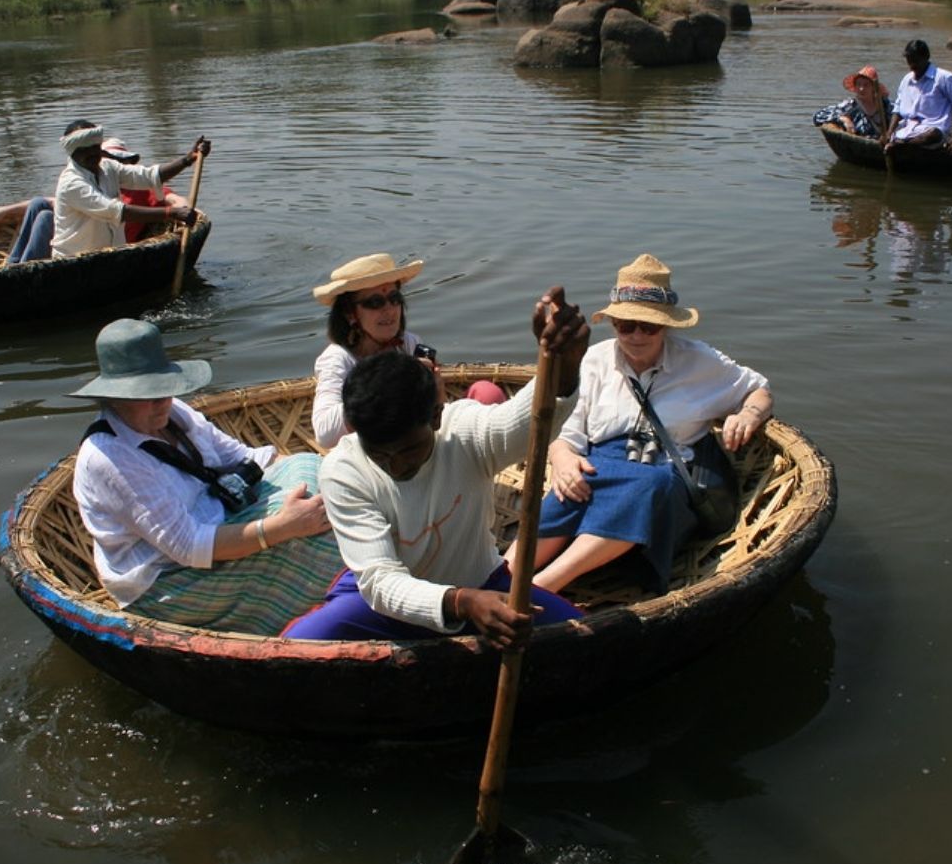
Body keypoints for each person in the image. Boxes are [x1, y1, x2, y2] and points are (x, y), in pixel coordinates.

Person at [284, 288, 590, 648]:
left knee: (586, 639)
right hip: (385, 605)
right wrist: (460, 602)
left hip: (483, 585)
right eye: (381, 456)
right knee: (299, 646)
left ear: (436, 416)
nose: (397, 467)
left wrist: (562, 366)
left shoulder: (462, 432)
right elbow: (380, 581)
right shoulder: (342, 470)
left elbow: (525, 423)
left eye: (409, 450)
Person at [71, 318, 339, 635]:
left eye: (165, 390)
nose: (163, 403)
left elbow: (248, 457)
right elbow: (188, 546)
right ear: (116, 398)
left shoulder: (174, 414)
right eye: (148, 395)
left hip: (220, 519)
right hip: (170, 579)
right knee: (317, 543)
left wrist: (333, 472)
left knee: (310, 464)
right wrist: (282, 527)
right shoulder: (110, 458)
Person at [525, 254, 773, 595]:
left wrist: (748, 415)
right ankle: (505, 574)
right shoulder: (594, 360)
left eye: (649, 326)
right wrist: (563, 458)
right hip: (601, 465)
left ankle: (543, 586)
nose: (636, 335)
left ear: (667, 325)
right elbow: (563, 426)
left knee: (647, 483)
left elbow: (758, 390)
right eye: (626, 326)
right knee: (572, 486)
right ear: (613, 324)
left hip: (666, 476)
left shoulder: (699, 361)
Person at [309, 253, 503, 451]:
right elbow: (324, 434)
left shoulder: (409, 343)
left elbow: (436, 412)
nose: (390, 310)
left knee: (487, 393)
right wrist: (384, 388)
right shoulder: (337, 359)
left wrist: (435, 387)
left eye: (394, 299)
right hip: (381, 452)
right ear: (350, 314)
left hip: (418, 437)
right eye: (375, 303)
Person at [50, 120, 204, 260]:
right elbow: (116, 211)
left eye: (95, 147)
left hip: (109, 256)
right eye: (85, 150)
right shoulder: (71, 183)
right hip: (73, 260)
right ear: (73, 153)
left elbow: (148, 176)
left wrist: (188, 159)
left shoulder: (108, 167)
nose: (92, 153)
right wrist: (171, 213)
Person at [886, 39, 952, 149]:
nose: (912, 65)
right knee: (894, 135)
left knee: (933, 134)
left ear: (926, 58)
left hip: (933, 131)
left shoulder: (944, 78)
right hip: (908, 130)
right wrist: (889, 132)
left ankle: (901, 145)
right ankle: (900, 143)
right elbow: (897, 110)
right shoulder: (906, 80)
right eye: (909, 61)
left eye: (915, 61)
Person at [105, 137, 189, 243]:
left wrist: (186, 210)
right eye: (111, 161)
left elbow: (174, 200)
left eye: (121, 161)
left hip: (124, 247)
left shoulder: (140, 188)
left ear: (129, 164)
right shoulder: (92, 187)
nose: (115, 166)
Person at [812, 65, 894, 139]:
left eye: (866, 85)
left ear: (873, 88)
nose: (861, 89)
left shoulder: (885, 105)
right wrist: (843, 119)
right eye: (859, 84)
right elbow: (818, 116)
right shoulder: (850, 105)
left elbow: (901, 116)